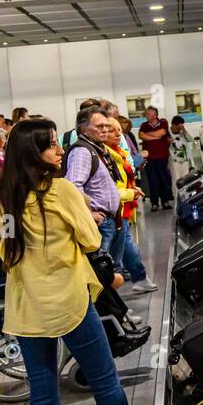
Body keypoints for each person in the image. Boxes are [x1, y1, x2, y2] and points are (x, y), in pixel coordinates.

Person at [0, 118, 146, 405]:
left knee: (42, 392)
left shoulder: (0, 198)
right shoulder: (59, 191)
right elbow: (91, 240)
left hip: (26, 306)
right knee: (104, 378)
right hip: (71, 300)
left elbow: (7, 251)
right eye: (53, 145)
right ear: (34, 152)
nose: (61, 150)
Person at [65, 107, 155, 293]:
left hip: (113, 218)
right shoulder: (82, 152)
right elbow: (73, 186)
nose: (105, 130)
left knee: (113, 271)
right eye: (99, 126)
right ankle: (111, 314)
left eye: (107, 126)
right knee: (103, 273)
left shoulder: (99, 149)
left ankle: (119, 312)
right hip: (102, 222)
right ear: (83, 129)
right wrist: (89, 213)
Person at [102, 119, 153, 292]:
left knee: (123, 248)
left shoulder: (117, 151)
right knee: (114, 260)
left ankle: (139, 278)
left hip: (123, 206)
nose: (118, 134)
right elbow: (110, 188)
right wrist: (129, 193)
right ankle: (136, 281)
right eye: (112, 130)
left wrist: (131, 189)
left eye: (119, 130)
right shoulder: (105, 155)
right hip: (115, 210)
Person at [137, 106, 173, 210]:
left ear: (154, 114)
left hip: (162, 157)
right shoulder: (144, 125)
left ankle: (165, 201)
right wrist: (156, 137)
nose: (146, 115)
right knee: (152, 180)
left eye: (148, 113)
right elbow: (141, 135)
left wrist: (149, 135)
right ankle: (154, 203)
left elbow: (162, 133)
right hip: (149, 158)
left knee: (163, 179)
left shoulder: (163, 122)